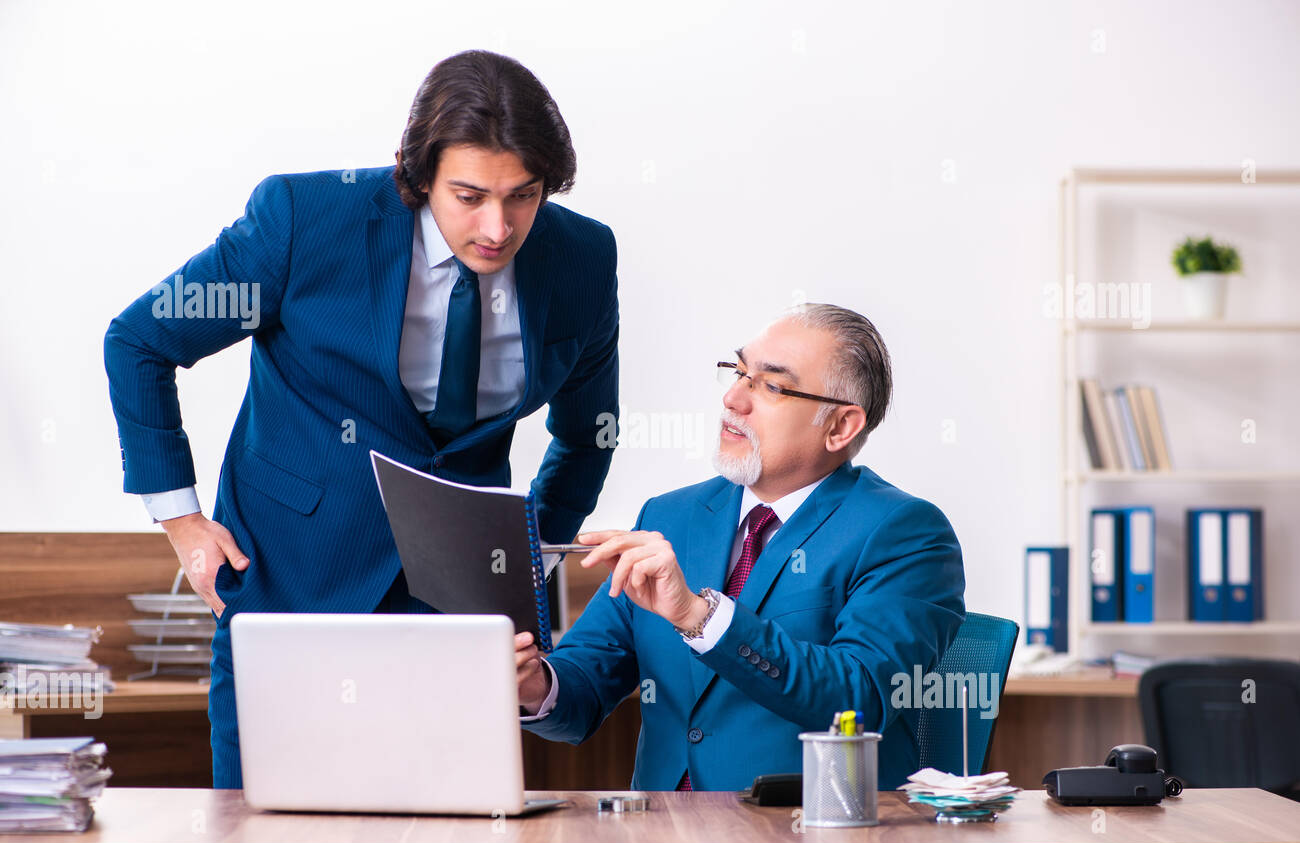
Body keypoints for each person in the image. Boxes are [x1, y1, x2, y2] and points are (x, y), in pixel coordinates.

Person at [104, 50, 620, 788]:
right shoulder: (306, 222)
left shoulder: (581, 259)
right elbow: (139, 340)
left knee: (449, 840)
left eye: (524, 196)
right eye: (469, 195)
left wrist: (528, 553)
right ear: (416, 174)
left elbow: (587, 433)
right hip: (293, 594)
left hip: (458, 629)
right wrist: (183, 524)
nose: (498, 227)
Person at [515, 304, 964, 791]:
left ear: (839, 427)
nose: (733, 399)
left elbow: (859, 699)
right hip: (662, 837)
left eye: (771, 386)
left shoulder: (904, 532)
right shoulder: (669, 518)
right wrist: (534, 684)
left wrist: (699, 617)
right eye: (739, 372)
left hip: (805, 837)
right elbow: (584, 687)